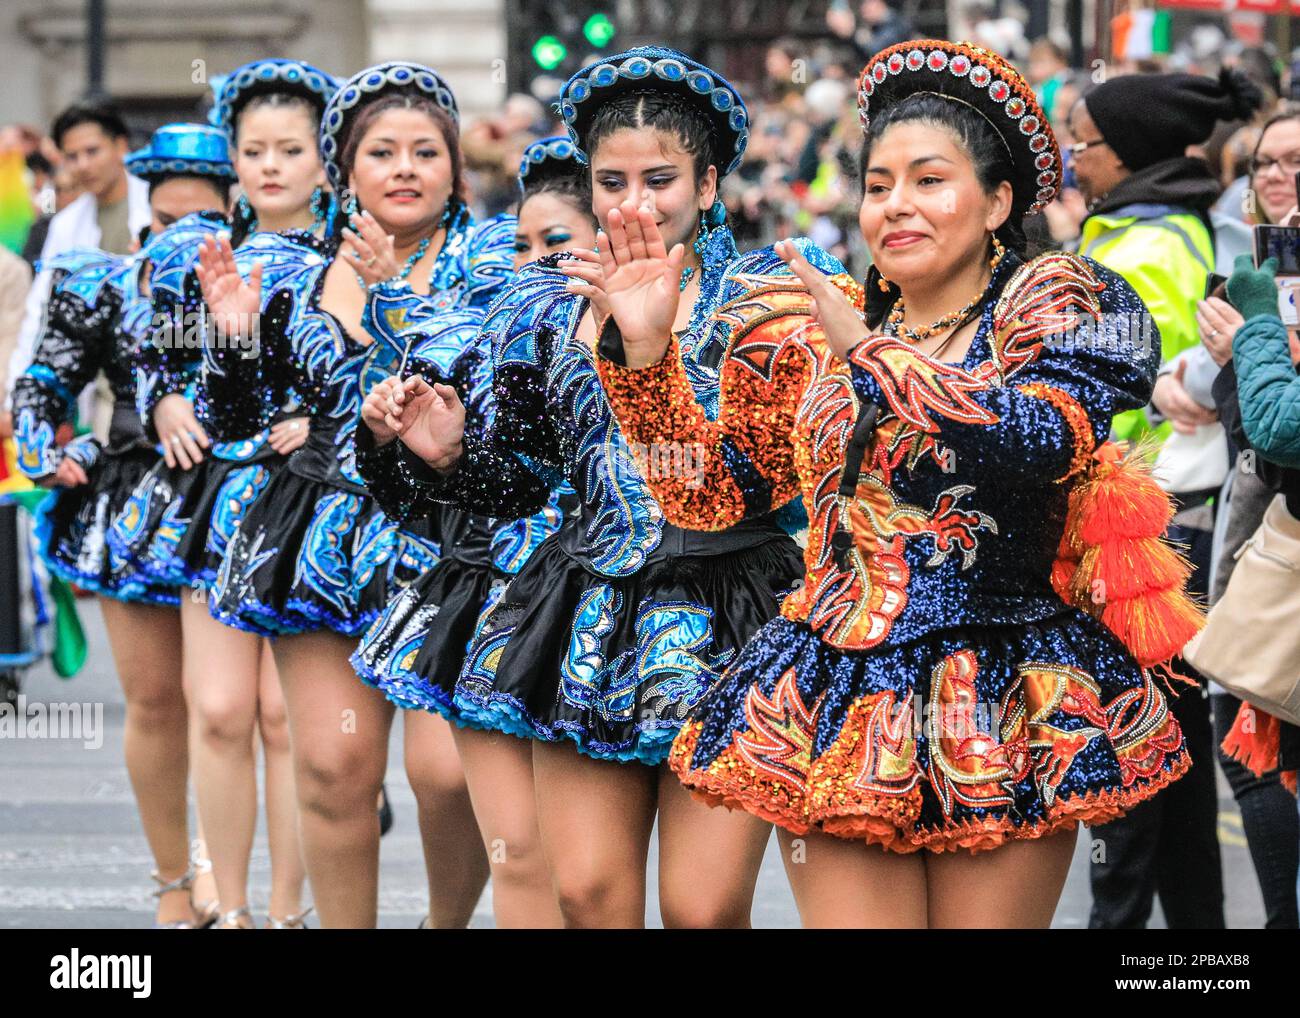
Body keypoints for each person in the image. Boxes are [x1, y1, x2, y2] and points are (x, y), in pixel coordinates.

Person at [585, 39, 1199, 928]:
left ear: (996, 203)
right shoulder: (815, 327)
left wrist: (873, 359)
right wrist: (644, 357)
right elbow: (712, 496)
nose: (895, 206)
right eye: (877, 185)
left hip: (1000, 690)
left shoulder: (1054, 302)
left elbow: (1033, 439)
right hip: (839, 695)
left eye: (928, 181)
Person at [359, 45, 844, 928]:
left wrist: (652, 352)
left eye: (659, 179)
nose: (633, 203)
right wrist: (447, 454)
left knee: (701, 909)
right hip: (588, 607)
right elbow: (525, 485)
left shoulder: (769, 304)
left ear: (706, 186)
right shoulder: (546, 309)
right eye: (610, 181)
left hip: (735, 609)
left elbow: (762, 487)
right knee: (584, 895)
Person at [194, 62, 514, 928]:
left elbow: (490, 385)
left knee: (447, 771)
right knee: (335, 766)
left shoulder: (494, 259)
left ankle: (443, 924)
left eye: (425, 152)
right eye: (382, 152)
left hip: (452, 532)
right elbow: (229, 422)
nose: (405, 167)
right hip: (325, 530)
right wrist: (229, 342)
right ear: (344, 170)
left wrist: (396, 298)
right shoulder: (286, 265)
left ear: (454, 168)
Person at [116, 61, 344, 930]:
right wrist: (165, 398)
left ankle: (289, 908)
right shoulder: (195, 252)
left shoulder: (348, 258)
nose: (273, 165)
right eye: (255, 149)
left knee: (288, 720)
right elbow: (152, 360)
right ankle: (230, 905)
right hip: (214, 492)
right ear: (233, 159)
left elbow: (376, 370)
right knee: (216, 711)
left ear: (326, 157)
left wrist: (318, 422)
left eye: (293, 148)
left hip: (311, 503)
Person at [351, 135, 594, 927]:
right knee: (517, 849)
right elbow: (446, 497)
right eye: (521, 241)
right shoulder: (482, 341)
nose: (533, 258)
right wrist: (421, 451)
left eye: (556, 240)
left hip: (611, 617)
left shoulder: (667, 335)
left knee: (596, 877)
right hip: (496, 610)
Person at [10, 122, 234, 928]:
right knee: (154, 702)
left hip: (241, 504)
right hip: (137, 499)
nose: (186, 237)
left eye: (206, 219)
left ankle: (221, 871)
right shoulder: (103, 284)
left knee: (222, 707)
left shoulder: (268, 287)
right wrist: (43, 443)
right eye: (169, 222)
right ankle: (173, 880)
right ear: (146, 224)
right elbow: (43, 380)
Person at [1069, 66, 1266, 930]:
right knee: (1176, 762)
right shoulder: (1159, 230)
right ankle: (1201, 954)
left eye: (1086, 143)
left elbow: (1109, 389)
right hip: (1171, 522)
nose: (1074, 157)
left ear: (1130, 153)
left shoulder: (1145, 247)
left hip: (1144, 529)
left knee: (1129, 759)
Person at [5, 100, 148, 432]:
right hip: (98, 393)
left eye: (92, 151)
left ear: (120, 146)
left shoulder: (156, 204)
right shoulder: (66, 225)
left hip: (158, 383)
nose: (83, 165)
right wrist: (20, 398)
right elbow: (41, 312)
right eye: (72, 156)